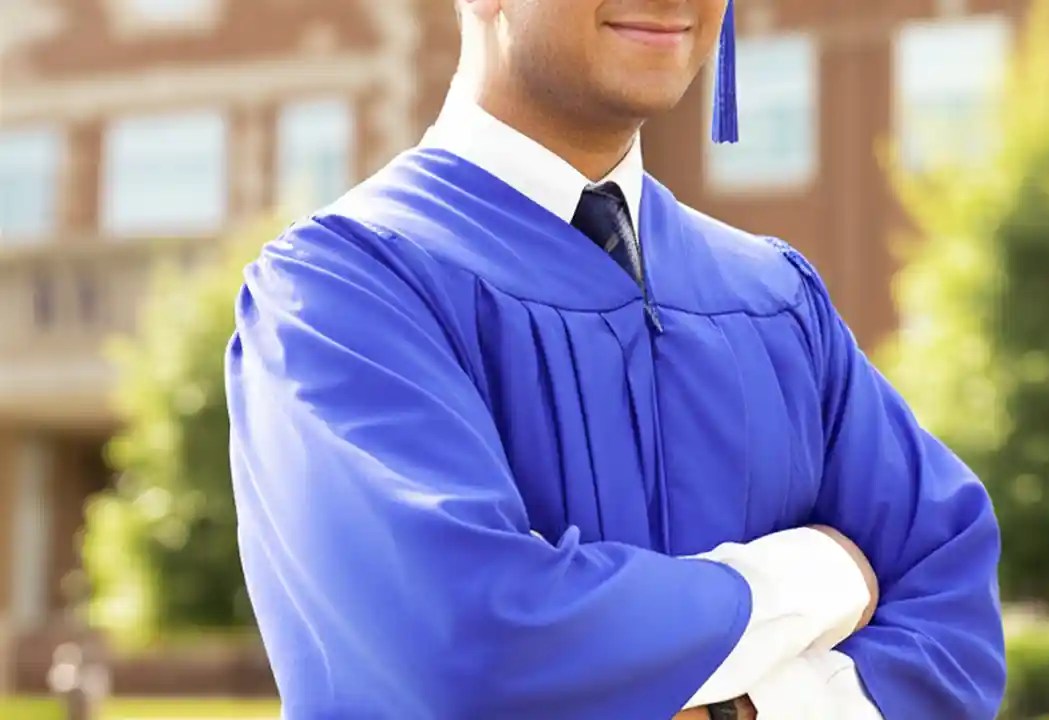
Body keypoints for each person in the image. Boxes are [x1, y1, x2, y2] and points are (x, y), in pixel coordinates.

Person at [225, 0, 1005, 717]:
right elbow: (472, 641)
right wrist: (811, 578)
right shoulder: (344, 290)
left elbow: (954, 617)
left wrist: (744, 712)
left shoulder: (773, 297)